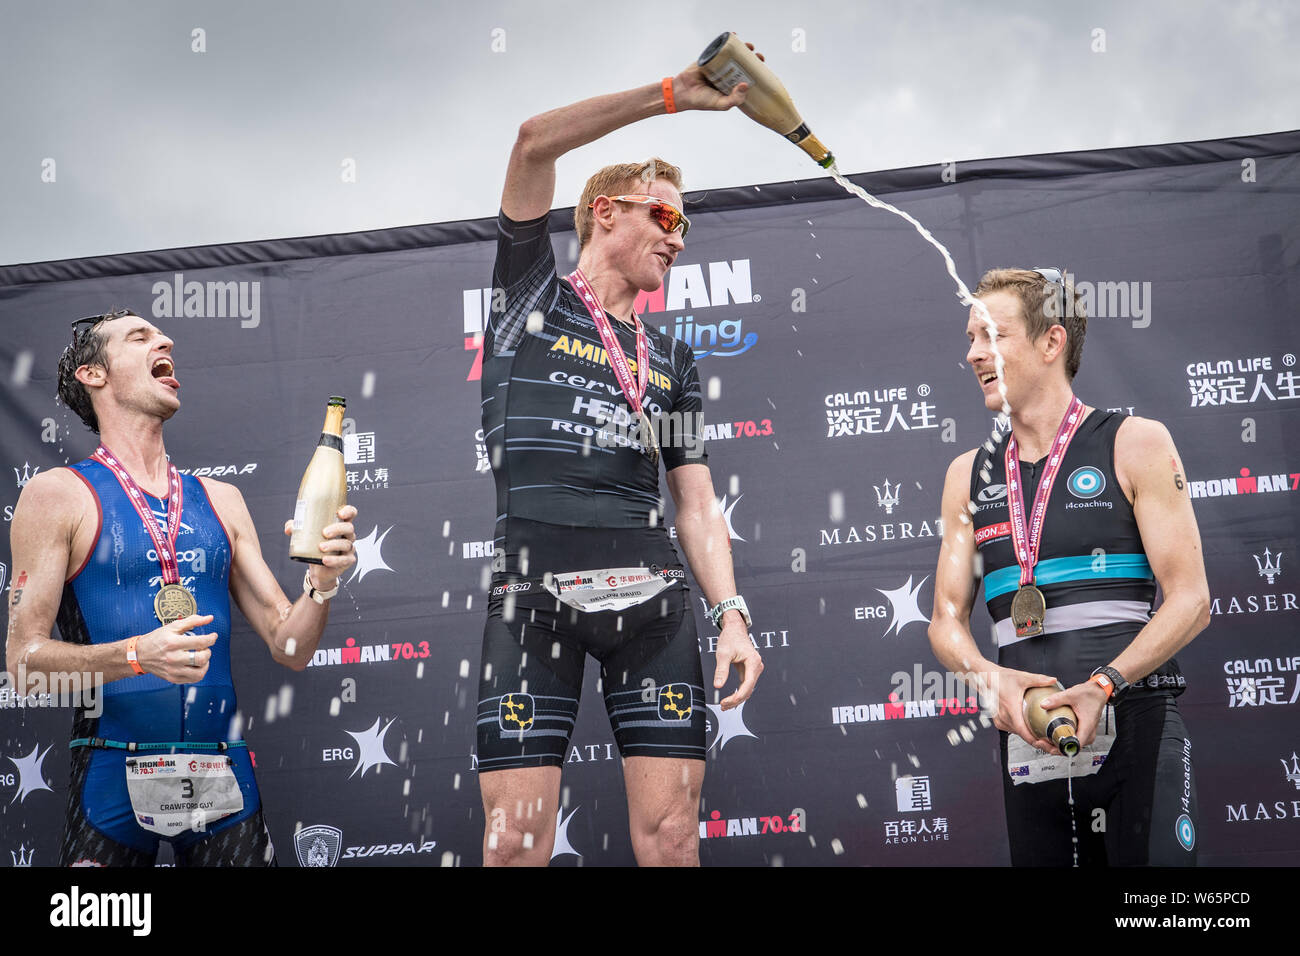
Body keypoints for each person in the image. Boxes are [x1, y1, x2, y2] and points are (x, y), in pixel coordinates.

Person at [475, 51, 765, 866]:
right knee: (514, 845)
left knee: (672, 840)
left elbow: (697, 503)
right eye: (665, 219)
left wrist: (732, 614)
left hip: (654, 605)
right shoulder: (528, 299)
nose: (679, 239)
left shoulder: (670, 357)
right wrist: (671, 97)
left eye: (687, 227)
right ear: (605, 212)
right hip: (534, 601)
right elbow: (533, 142)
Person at [5, 309, 357, 866]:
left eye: (161, 334)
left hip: (222, 769)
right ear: (93, 374)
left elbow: (290, 648)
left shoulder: (221, 499)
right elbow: (23, 667)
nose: (165, 340)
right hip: (110, 769)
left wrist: (322, 582)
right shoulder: (57, 495)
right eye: (139, 336)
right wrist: (136, 656)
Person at [927, 268, 1211, 866]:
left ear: (1051, 342)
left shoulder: (1135, 442)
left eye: (991, 336)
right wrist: (987, 677)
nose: (973, 353)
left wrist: (1103, 685)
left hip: (1134, 717)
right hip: (1029, 735)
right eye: (970, 338)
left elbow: (1191, 601)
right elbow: (945, 620)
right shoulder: (967, 475)